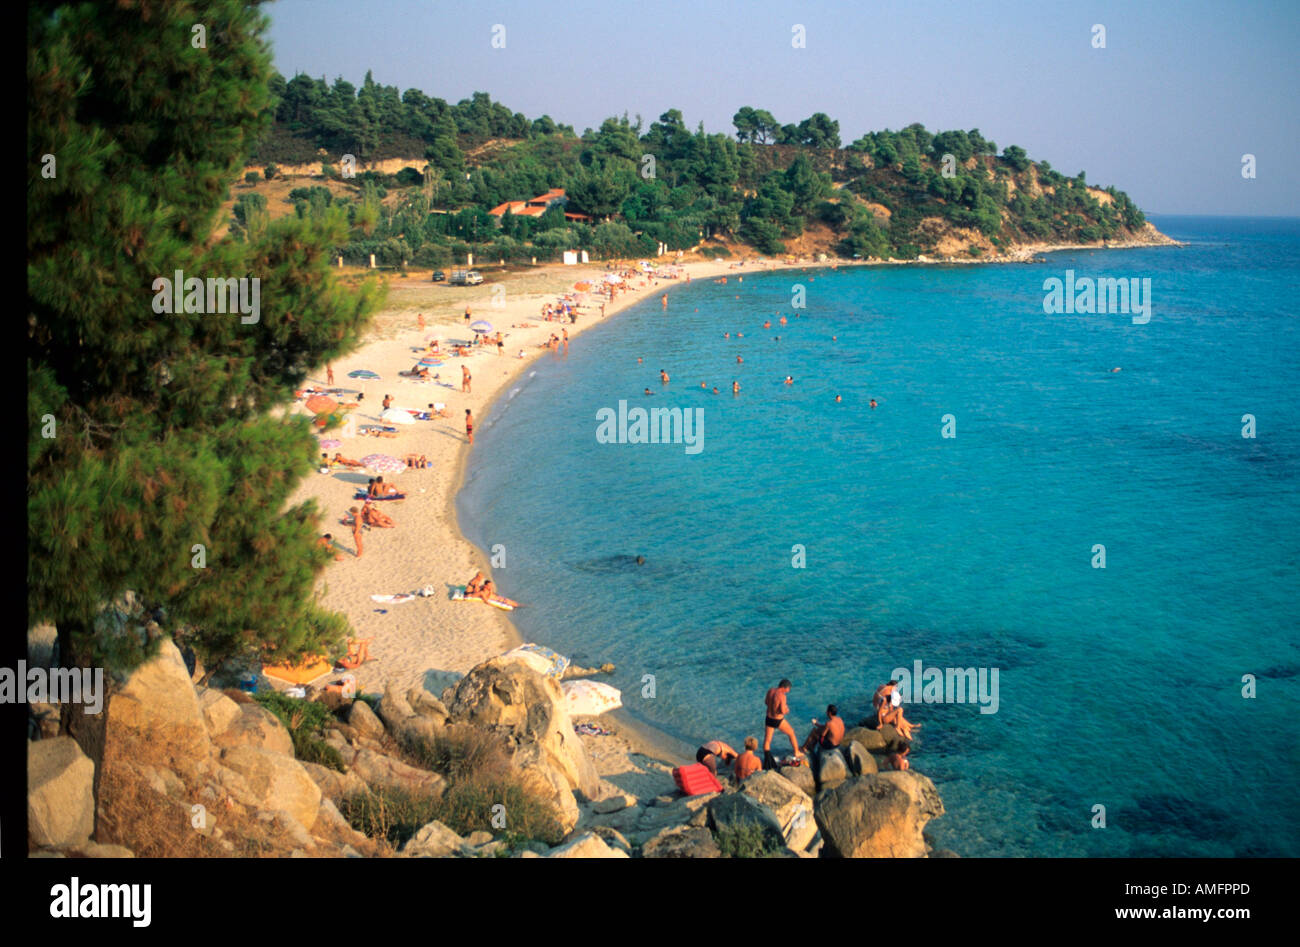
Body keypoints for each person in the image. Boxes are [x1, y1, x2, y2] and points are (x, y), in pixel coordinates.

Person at [763, 679, 803, 766]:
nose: (788, 691)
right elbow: (782, 711)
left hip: (768, 718)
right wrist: (787, 710)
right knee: (791, 733)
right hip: (778, 720)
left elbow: (766, 702)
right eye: (789, 689)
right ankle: (796, 752)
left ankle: (767, 759)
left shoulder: (770, 691)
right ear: (785, 687)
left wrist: (773, 707)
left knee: (767, 740)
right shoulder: (782, 696)